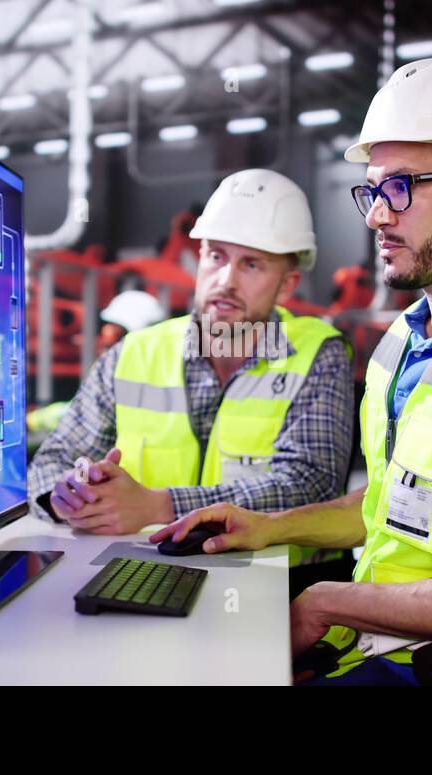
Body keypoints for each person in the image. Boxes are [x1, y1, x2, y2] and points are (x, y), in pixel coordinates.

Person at [153, 58, 432, 685]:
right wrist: (266, 527)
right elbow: (392, 505)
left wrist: (327, 601)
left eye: (402, 186)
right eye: (372, 190)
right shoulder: (402, 338)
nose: (376, 216)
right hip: (374, 644)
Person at [28, 168, 355, 581]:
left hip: (274, 588)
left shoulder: (318, 354)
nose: (226, 281)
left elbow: (309, 484)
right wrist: (70, 495)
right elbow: (50, 463)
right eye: (216, 256)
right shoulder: (134, 353)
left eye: (251, 264)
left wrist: (157, 506)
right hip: (145, 576)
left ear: (287, 285)